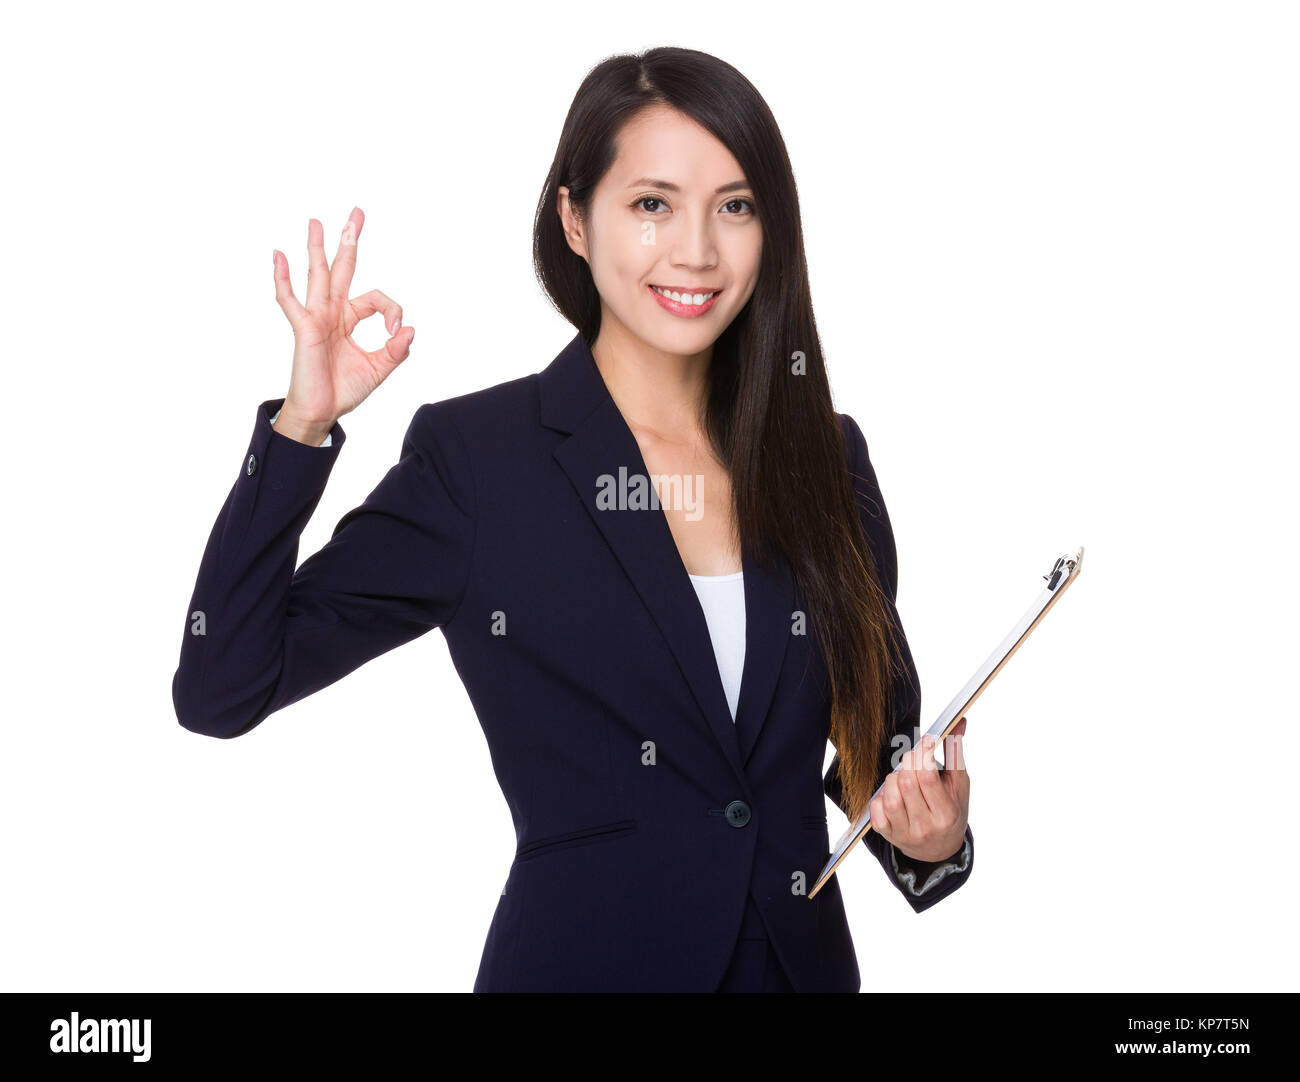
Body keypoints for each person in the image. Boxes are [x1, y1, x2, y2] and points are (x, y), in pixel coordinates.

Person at [172, 46, 973, 993]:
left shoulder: (825, 456)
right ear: (575, 221)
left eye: (736, 206)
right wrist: (302, 426)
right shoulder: (480, 461)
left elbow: (879, 745)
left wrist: (933, 837)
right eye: (652, 204)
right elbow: (222, 687)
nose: (697, 250)